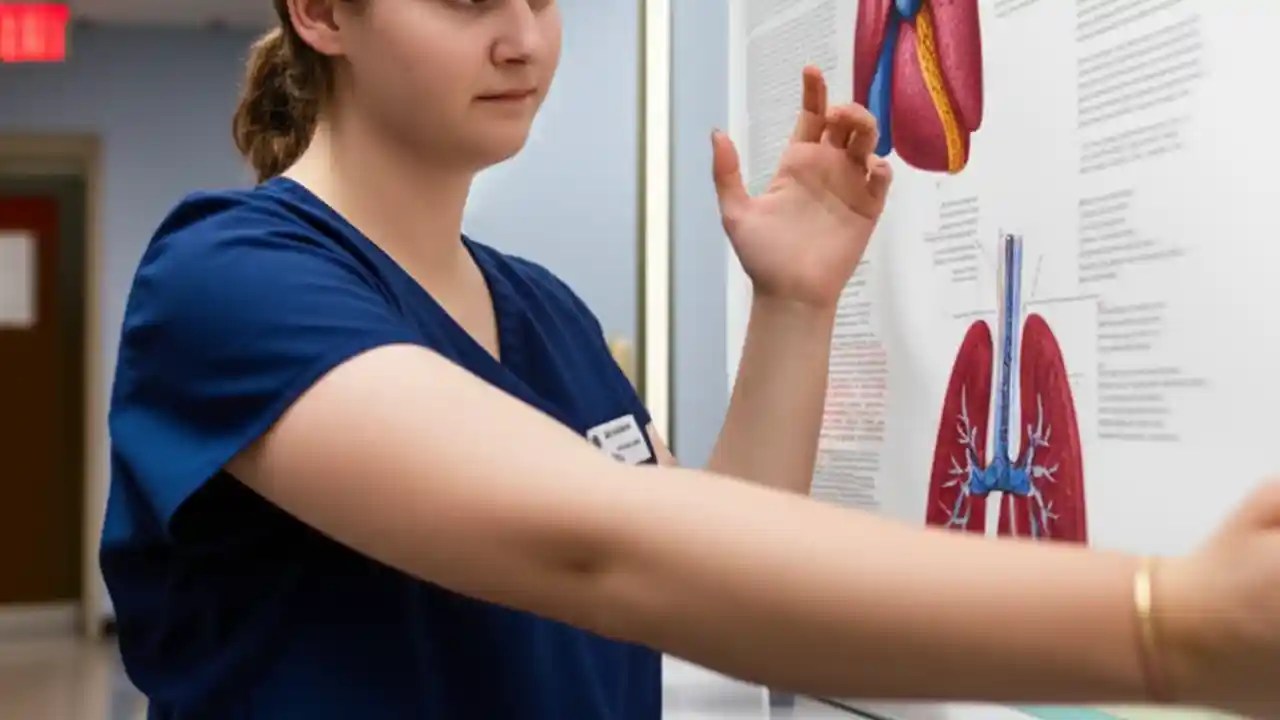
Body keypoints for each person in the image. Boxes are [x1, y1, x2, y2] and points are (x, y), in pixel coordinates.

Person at [99, 0, 1280, 718]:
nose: (522, 39)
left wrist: (793, 304)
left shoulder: (541, 312)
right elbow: (597, 547)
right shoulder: (228, 281)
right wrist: (1162, 624)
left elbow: (708, 574)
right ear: (324, 15)